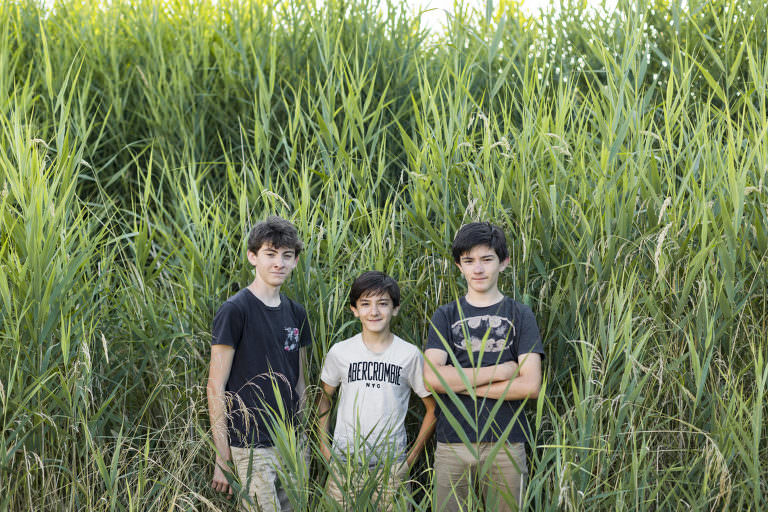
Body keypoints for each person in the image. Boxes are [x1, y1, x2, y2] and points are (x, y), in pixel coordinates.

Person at [423, 222, 544, 512]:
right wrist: (501, 372)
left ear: (504, 263)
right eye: (469, 261)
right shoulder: (445, 315)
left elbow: (530, 386)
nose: (478, 269)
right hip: (452, 443)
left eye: (487, 259)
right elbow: (432, 379)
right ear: (459, 266)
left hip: (506, 444)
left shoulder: (520, 314)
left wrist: (460, 384)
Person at [207, 216, 312, 512]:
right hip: (251, 443)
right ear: (253, 257)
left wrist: (303, 438)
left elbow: (300, 380)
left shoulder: (296, 313)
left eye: (286, 256)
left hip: (291, 442)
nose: (279, 263)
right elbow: (215, 384)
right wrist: (222, 455)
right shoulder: (235, 310)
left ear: (294, 261)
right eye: (270, 254)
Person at [318, 271, 437, 511]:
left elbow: (433, 409)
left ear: (395, 308)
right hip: (344, 467)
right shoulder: (341, 352)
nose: (374, 311)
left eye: (383, 304)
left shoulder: (409, 354)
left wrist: (409, 461)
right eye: (365, 304)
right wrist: (325, 451)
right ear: (354, 309)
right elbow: (323, 400)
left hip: (391, 470)